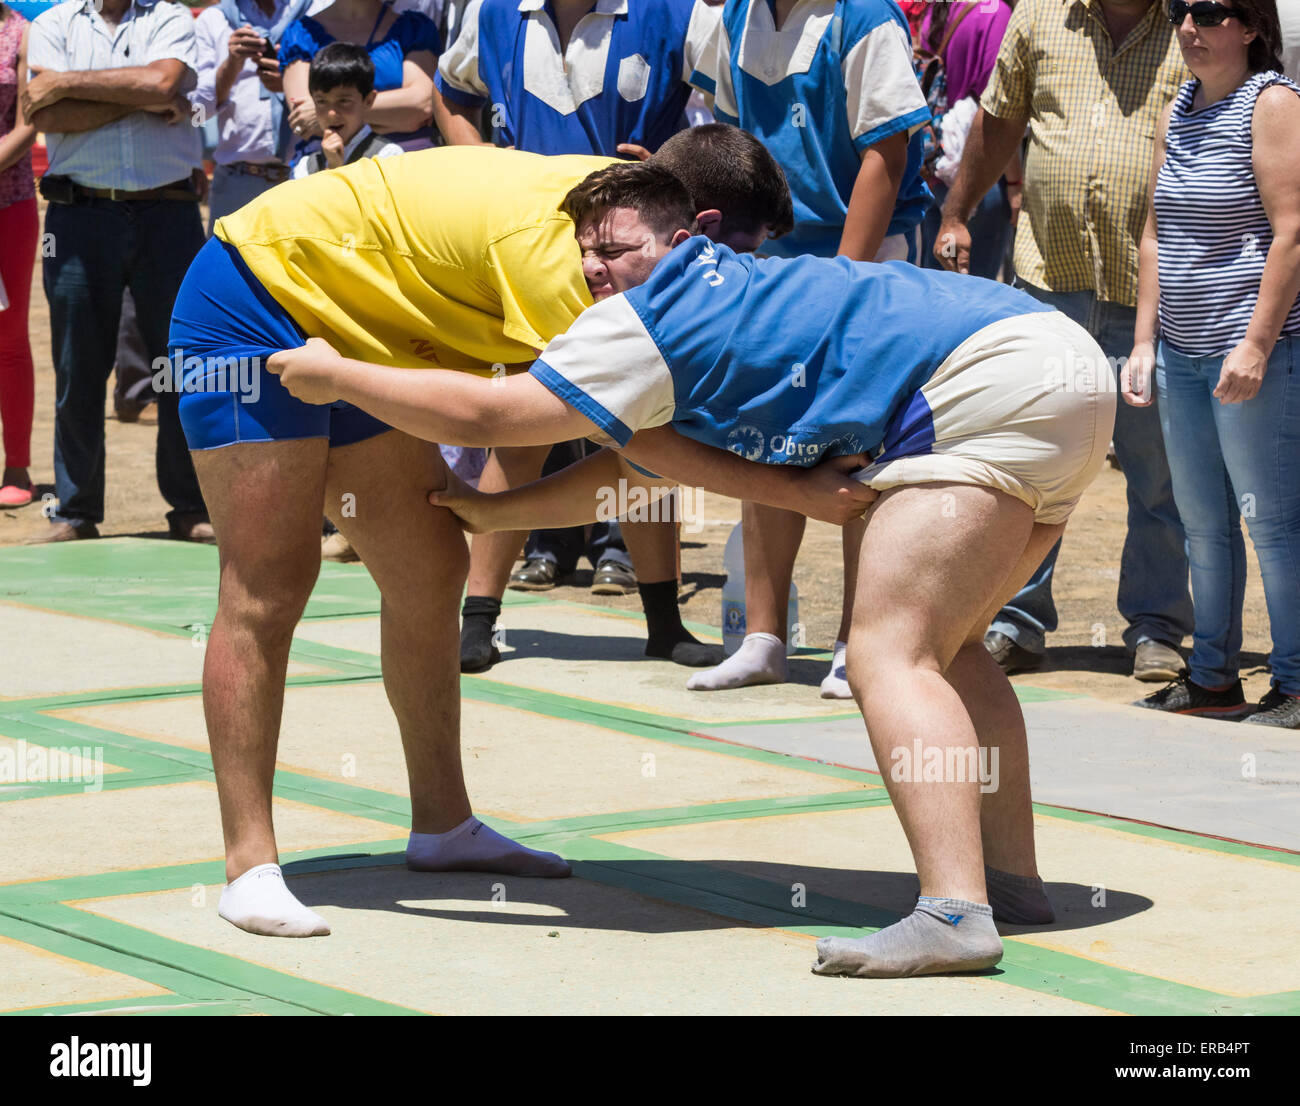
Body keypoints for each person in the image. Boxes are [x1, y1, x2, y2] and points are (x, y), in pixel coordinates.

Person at [268, 161, 1116, 977]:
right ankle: (1010, 883)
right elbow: (637, 467)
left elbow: (497, 414)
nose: (599, 268)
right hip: (1063, 367)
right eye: (587, 252)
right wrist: (491, 514)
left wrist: (336, 375)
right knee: (954, 649)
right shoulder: (739, 299)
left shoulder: (639, 321)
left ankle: (955, 915)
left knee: (891, 655)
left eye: (620, 247)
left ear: (683, 237)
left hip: (984, 383)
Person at [165, 134, 808, 938]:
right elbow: (637, 445)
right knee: (269, 581)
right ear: (695, 228)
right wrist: (803, 478)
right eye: (739, 258)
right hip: (254, 296)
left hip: (370, 325)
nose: (740, 284)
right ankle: (248, 865)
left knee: (431, 567)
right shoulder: (578, 265)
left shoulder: (621, 225)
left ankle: (441, 827)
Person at [433, 0, 721, 673]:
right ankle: (478, 618)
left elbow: (737, 115)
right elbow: (449, 96)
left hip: (632, 259)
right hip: (522, 250)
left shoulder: (677, 14)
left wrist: (673, 168)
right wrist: (485, 173)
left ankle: (663, 621)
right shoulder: (494, 11)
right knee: (521, 427)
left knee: (649, 434)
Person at [936, 0, 1195, 683]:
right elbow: (999, 124)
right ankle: (1014, 621)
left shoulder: (1193, 24)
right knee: (1031, 463)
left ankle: (1157, 628)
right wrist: (957, 213)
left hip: (1155, 292)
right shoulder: (1042, 16)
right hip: (1050, 281)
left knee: (1158, 470)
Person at [684, 0, 933, 699]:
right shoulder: (731, 15)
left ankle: (860, 644)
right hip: (768, 260)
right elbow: (728, 142)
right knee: (761, 441)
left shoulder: (865, 18)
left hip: (863, 262)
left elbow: (888, 151)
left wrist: (844, 279)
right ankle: (763, 639)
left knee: (864, 457)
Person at [1122, 0, 1300, 728]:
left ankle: (1293, 682)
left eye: (1211, 12)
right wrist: (1143, 342)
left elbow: (1292, 234)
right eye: (1180, 10)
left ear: (1252, 27)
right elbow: (1155, 233)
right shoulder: (1180, 106)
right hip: (1181, 353)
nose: (1189, 26)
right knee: (1203, 525)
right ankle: (1213, 678)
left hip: (1251, 353)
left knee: (1274, 524)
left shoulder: (1275, 104)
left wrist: (1256, 345)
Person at [23, 0, 211, 544]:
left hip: (169, 211)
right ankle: (75, 511)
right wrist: (144, 97)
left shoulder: (173, 16)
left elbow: (164, 84)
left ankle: (189, 506)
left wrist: (73, 86)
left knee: (181, 365)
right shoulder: (52, 23)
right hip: (79, 215)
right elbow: (46, 114)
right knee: (77, 366)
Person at [915, 0, 1019, 282]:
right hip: (979, 184)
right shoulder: (995, 13)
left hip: (937, 169)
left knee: (939, 277)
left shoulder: (939, 8)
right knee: (973, 284)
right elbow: (998, 115)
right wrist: (1015, 183)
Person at [194, 0, 310, 235]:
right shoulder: (214, 19)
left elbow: (344, 91)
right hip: (238, 182)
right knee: (229, 269)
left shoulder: (314, 9)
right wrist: (231, 65)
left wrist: (292, 81)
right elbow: (198, 114)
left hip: (307, 178)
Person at [280, 0, 439, 153]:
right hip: (329, 167)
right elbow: (304, 120)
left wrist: (328, 112)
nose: (333, 111)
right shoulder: (299, 35)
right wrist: (395, 114)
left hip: (405, 165)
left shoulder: (415, 28)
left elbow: (422, 105)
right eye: (323, 101)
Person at [0, 1, 36, 509]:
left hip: (9, 203)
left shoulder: (24, 33)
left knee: (8, 340)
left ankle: (17, 464)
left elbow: (31, 123)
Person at [291, 42, 404, 176]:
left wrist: (337, 170)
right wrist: (332, 167)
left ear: (368, 100)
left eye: (343, 101)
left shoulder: (388, 156)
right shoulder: (306, 165)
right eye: (321, 101)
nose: (332, 113)